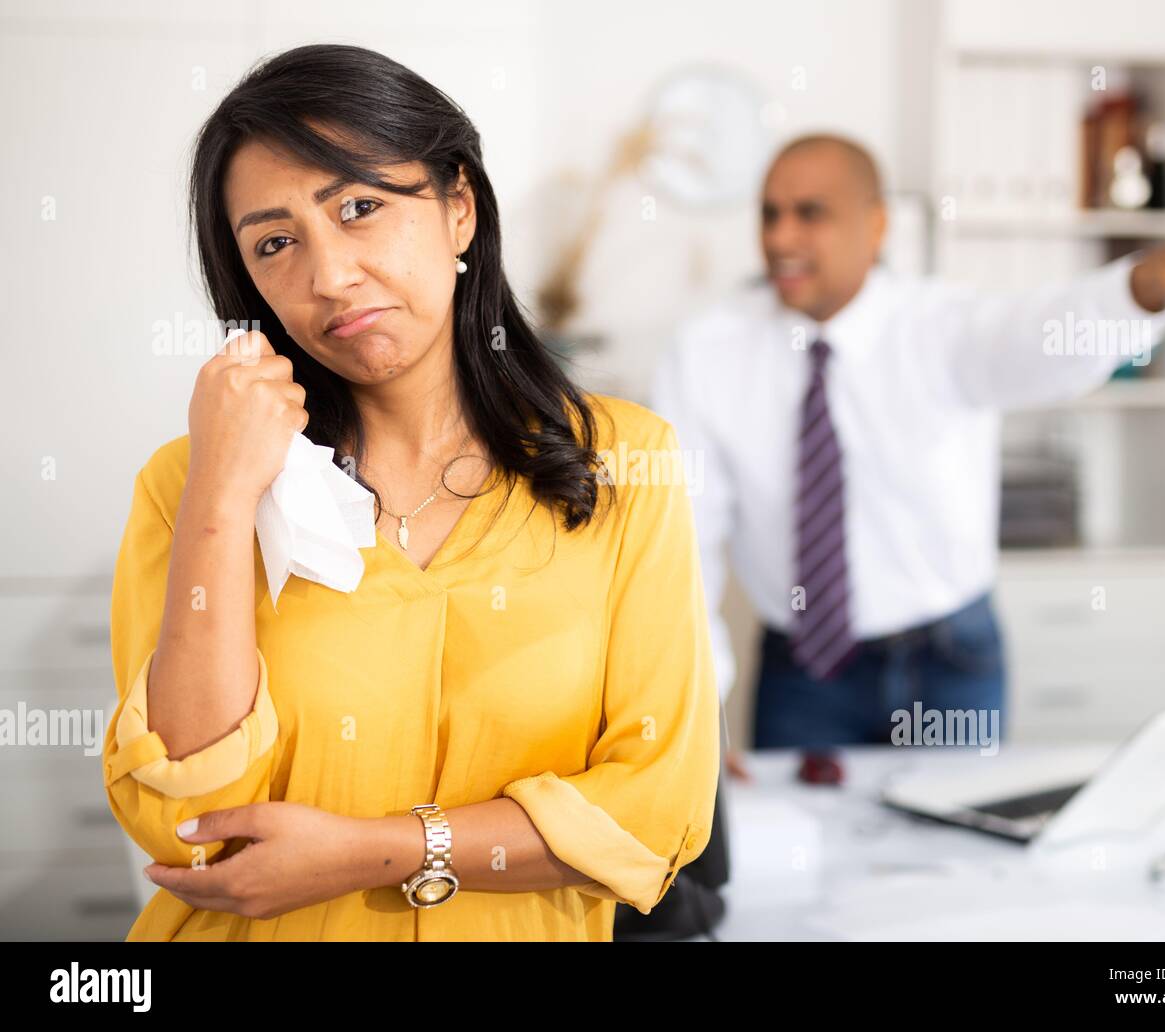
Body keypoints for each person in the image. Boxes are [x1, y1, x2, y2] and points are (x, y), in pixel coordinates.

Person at [103, 43, 718, 941]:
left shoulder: (627, 464)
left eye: (360, 208)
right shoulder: (191, 482)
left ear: (458, 207)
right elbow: (182, 827)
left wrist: (371, 851)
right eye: (276, 243)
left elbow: (653, 815)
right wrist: (222, 497)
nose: (329, 276)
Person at [651, 133, 1165, 783]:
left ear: (875, 225)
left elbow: (1040, 338)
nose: (780, 237)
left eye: (810, 212)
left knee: (957, 865)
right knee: (793, 866)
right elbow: (684, 544)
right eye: (770, 213)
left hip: (948, 662)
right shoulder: (705, 352)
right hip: (802, 673)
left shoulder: (941, 325)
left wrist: (1145, 286)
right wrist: (694, 714)